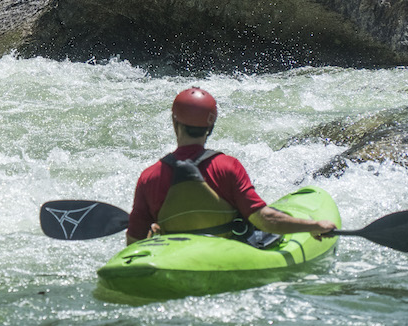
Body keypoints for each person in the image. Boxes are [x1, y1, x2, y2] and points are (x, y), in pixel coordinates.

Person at [126, 87, 337, 247]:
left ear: (175, 123)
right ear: (210, 128)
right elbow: (264, 220)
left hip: (174, 256)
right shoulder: (227, 167)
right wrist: (314, 226)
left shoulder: (150, 176)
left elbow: (133, 242)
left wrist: (152, 234)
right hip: (226, 252)